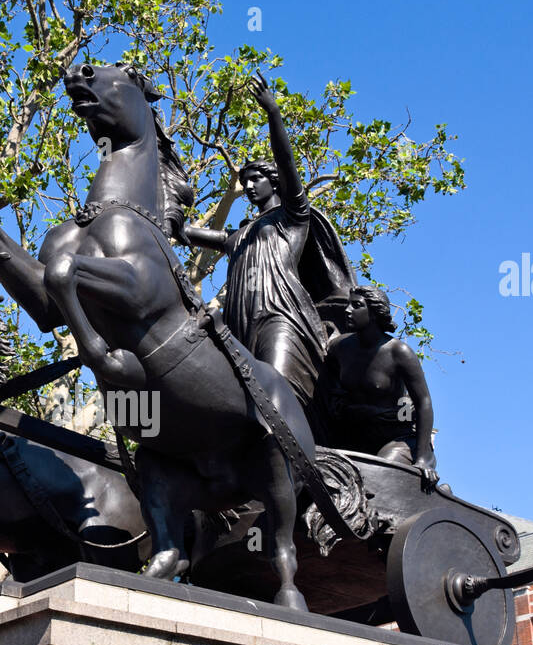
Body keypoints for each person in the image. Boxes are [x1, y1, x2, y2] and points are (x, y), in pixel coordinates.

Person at [179, 72, 353, 440]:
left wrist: (273, 112)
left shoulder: (293, 217)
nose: (247, 186)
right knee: (236, 409)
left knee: (276, 401)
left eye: (254, 178)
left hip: (282, 316)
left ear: (273, 181)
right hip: (239, 323)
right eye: (244, 182)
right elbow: (182, 232)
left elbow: (288, 164)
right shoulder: (237, 236)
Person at [325, 286, 438, 487]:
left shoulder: (398, 352)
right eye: (348, 304)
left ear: (375, 313)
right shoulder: (340, 348)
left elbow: (424, 402)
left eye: (356, 305)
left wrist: (423, 458)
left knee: (379, 475)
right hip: (355, 438)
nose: (348, 310)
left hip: (396, 438)